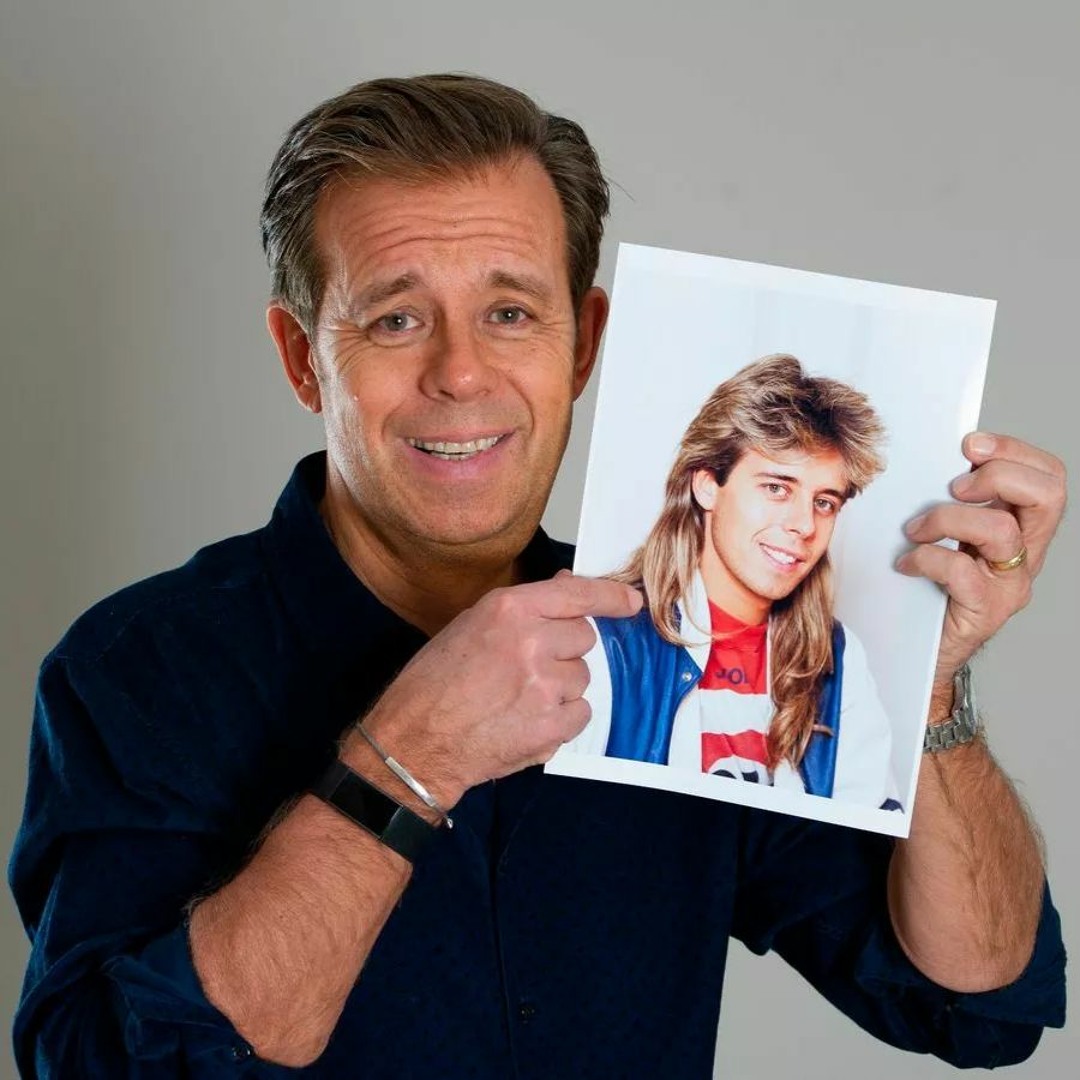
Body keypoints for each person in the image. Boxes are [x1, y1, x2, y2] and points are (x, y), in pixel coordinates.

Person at [8, 74, 1067, 1078]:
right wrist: (408, 759)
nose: (460, 373)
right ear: (302, 359)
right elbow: (112, 1064)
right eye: (395, 318)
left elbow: (974, 1003)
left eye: (510, 312)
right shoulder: (139, 672)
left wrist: (931, 690)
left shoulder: (689, 643)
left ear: (583, 345)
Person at [567, 354, 901, 809]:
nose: (805, 525)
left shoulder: (838, 659)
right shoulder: (605, 640)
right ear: (707, 485)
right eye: (777, 488)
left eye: (824, 502)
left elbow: (870, 833)